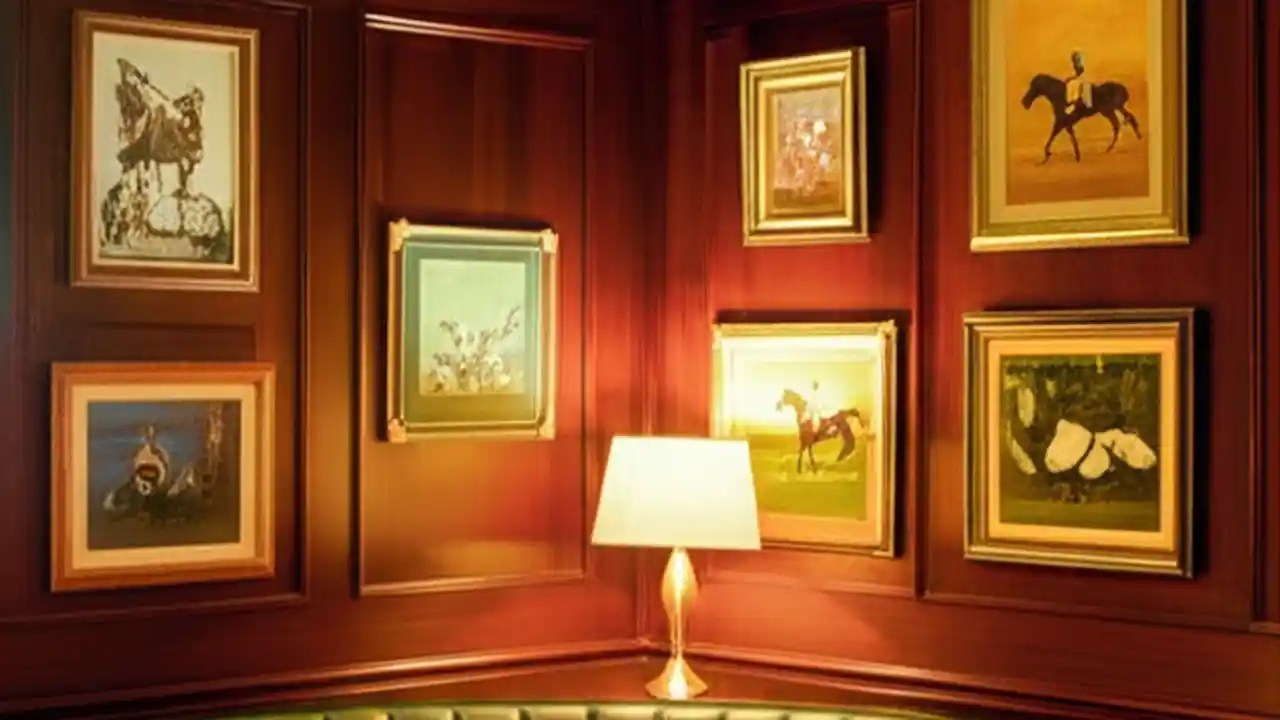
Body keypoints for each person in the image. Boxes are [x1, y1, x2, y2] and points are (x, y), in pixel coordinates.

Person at [1064, 49, 1091, 114]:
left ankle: (1073, 106)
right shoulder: (1077, 66)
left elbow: (1080, 74)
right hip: (1080, 81)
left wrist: (1072, 79)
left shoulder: (1080, 67)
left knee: (1072, 85)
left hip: (1081, 83)